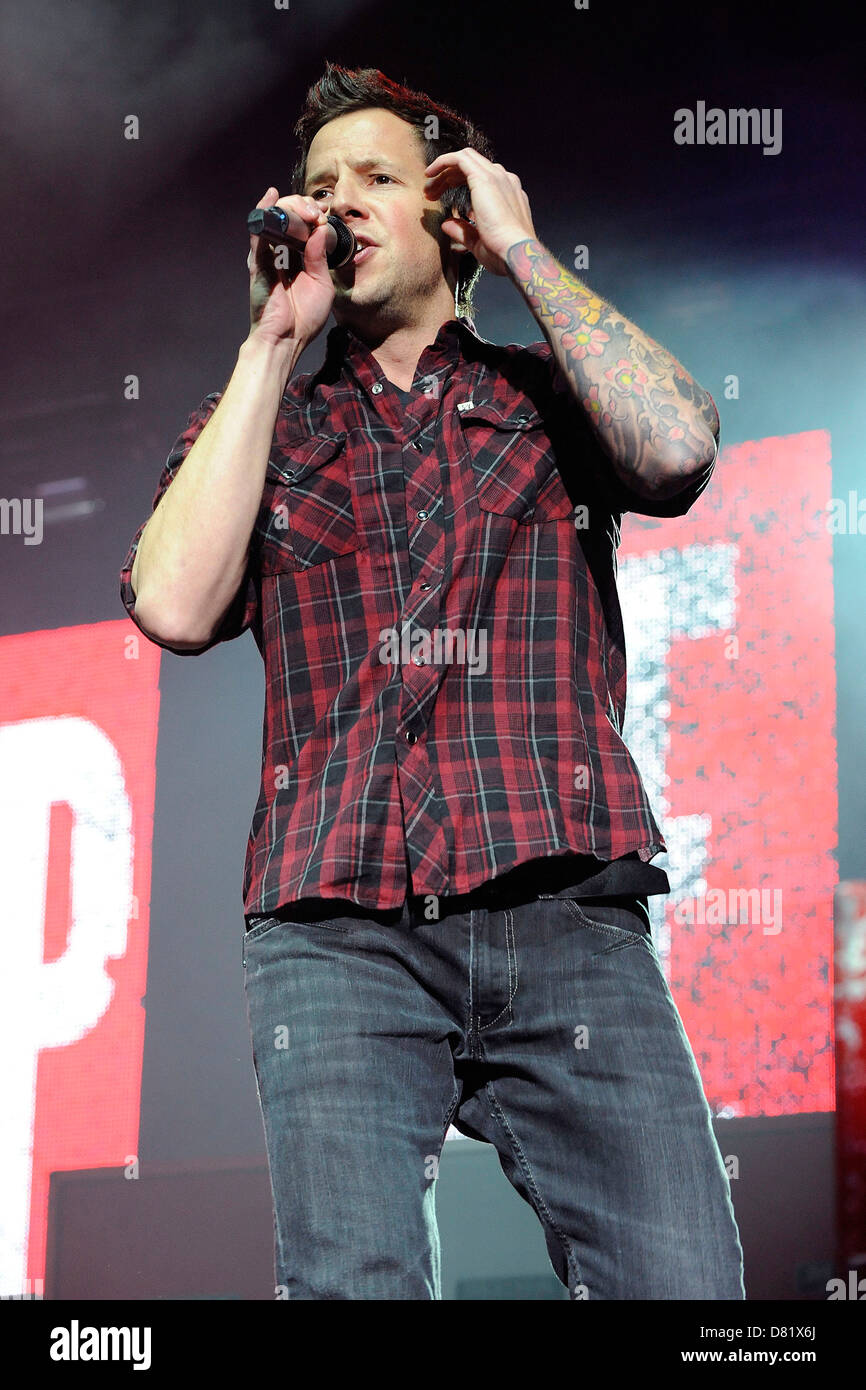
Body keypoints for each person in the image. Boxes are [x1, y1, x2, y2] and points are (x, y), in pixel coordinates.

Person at [119, 62, 745, 1301]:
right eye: (315, 186)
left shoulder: (540, 395)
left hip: (561, 905)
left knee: (683, 1289)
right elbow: (174, 605)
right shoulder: (264, 426)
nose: (334, 203)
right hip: (334, 932)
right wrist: (268, 342)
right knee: (353, 1288)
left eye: (374, 180)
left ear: (447, 212)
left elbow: (674, 448)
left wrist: (518, 245)